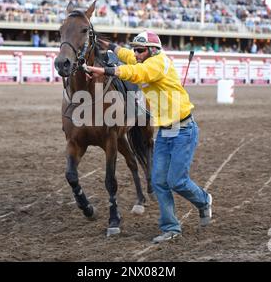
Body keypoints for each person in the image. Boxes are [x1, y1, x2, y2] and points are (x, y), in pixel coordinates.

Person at [87, 31, 212, 243]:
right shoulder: (142, 59)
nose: (135, 53)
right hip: (165, 131)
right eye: (135, 49)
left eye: (140, 50)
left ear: (152, 50)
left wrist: (105, 71)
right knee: (159, 181)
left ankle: (204, 200)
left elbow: (136, 74)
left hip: (183, 131)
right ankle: (171, 228)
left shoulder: (158, 64)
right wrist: (107, 44)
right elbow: (126, 55)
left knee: (176, 181)